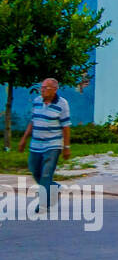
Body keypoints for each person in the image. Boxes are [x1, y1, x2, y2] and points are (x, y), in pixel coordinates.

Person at [17, 78, 71, 213]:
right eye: (42, 87)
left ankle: (44, 204)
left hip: (53, 145)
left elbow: (66, 127)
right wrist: (23, 139)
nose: (42, 90)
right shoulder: (37, 101)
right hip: (36, 144)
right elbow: (32, 121)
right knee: (35, 171)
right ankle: (55, 188)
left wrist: (66, 147)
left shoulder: (62, 104)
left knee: (46, 175)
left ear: (54, 89)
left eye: (46, 88)